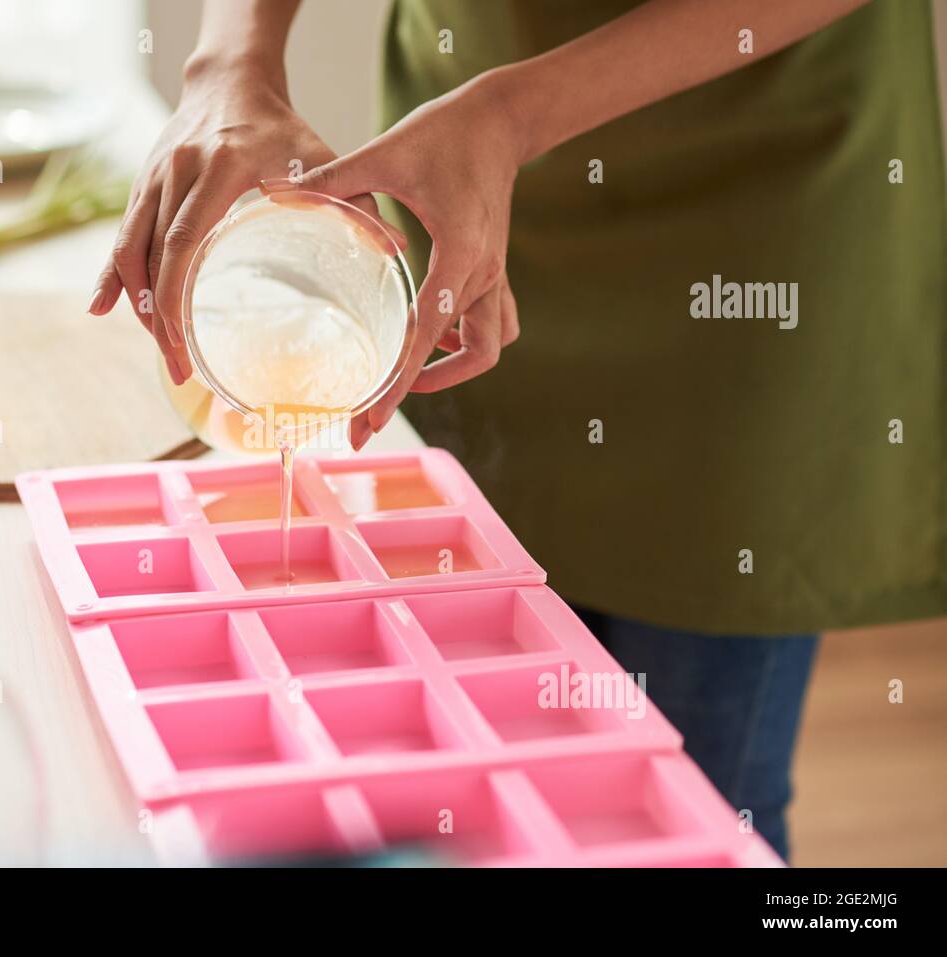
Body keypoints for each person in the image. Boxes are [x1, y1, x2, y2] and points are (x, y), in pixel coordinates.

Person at [90, 0, 946, 862]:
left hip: (755, 206)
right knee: (483, 761)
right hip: (463, 164)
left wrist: (516, 113)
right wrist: (232, 59)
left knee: (702, 793)